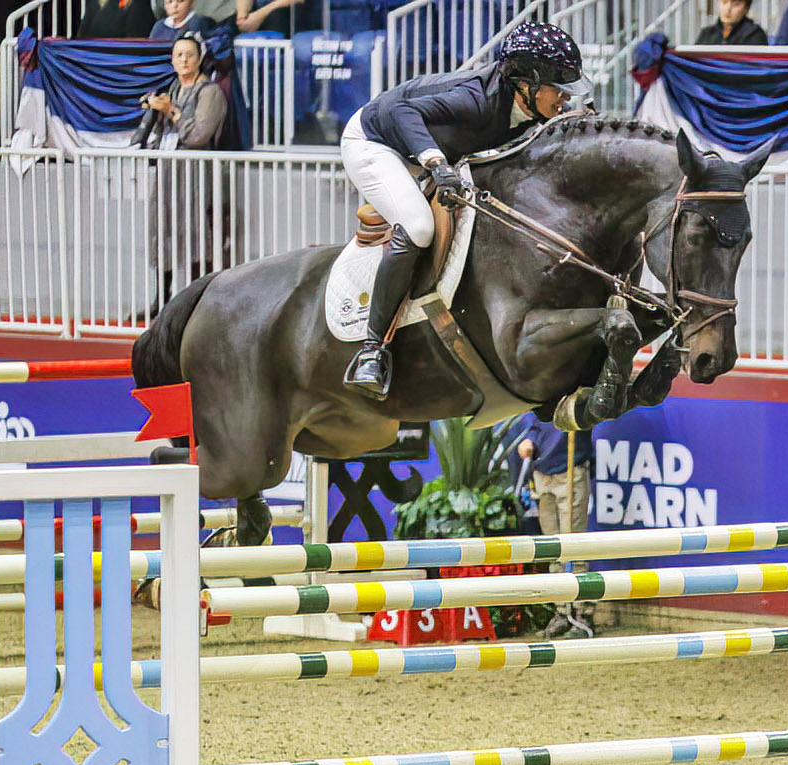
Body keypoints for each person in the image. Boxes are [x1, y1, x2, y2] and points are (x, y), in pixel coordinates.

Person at [339, 21, 592, 401]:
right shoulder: (474, 100)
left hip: (421, 150)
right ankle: (371, 351)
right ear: (528, 83)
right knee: (419, 227)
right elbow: (402, 111)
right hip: (376, 143)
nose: (563, 99)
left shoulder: (525, 106)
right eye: (558, 89)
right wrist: (436, 163)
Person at [133, 31, 228, 310]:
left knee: (195, 231)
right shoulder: (172, 88)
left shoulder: (210, 91)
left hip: (195, 172)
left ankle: (195, 302)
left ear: (200, 59)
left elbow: (198, 135)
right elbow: (157, 134)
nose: (183, 60)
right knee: (161, 229)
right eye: (178, 55)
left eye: (189, 55)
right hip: (168, 168)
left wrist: (172, 110)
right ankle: (160, 299)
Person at [517, 416, 595, 639]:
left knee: (575, 546)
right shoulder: (538, 390)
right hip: (542, 471)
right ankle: (562, 610)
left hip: (570, 469)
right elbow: (533, 422)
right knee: (553, 548)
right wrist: (529, 440)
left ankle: (581, 613)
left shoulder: (577, 387)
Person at [697, 0, 771, 43]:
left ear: (746, 8)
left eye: (736, 4)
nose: (728, 9)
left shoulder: (755, 34)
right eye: (724, 2)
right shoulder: (707, 33)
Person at [79, 0, 158, 37]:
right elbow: (82, 35)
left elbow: (134, 43)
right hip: (91, 60)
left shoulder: (138, 5)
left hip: (119, 62)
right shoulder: (94, 4)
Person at [151, 0, 218, 40]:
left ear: (191, 2)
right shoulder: (159, 26)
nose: (174, 5)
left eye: (180, 1)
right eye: (170, 1)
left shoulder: (201, 22)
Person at [235, 0, 306, 34]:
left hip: (287, 18)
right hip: (255, 17)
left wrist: (259, 15)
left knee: (277, 15)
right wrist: (242, 17)